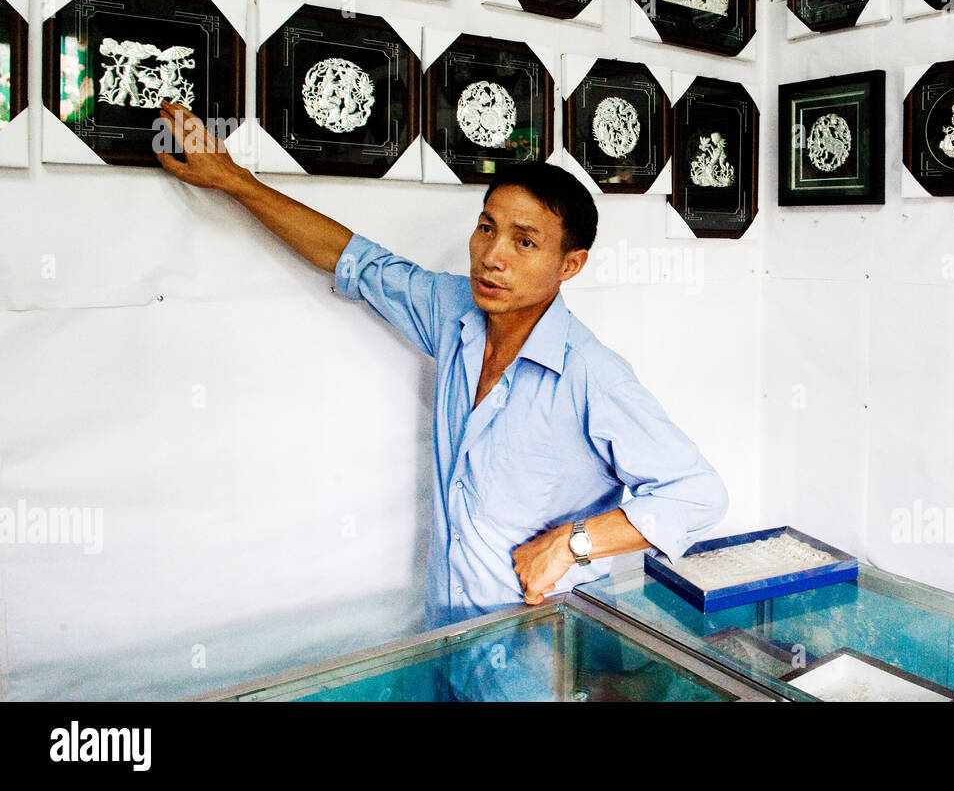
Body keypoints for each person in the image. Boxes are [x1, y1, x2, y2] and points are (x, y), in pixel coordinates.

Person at [153, 100, 729, 635]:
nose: (492, 255)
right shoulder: (455, 311)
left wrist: (570, 543)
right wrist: (233, 181)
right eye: (486, 227)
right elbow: (355, 259)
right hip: (446, 631)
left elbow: (697, 493)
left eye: (524, 243)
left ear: (569, 265)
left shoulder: (590, 375)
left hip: (544, 639)